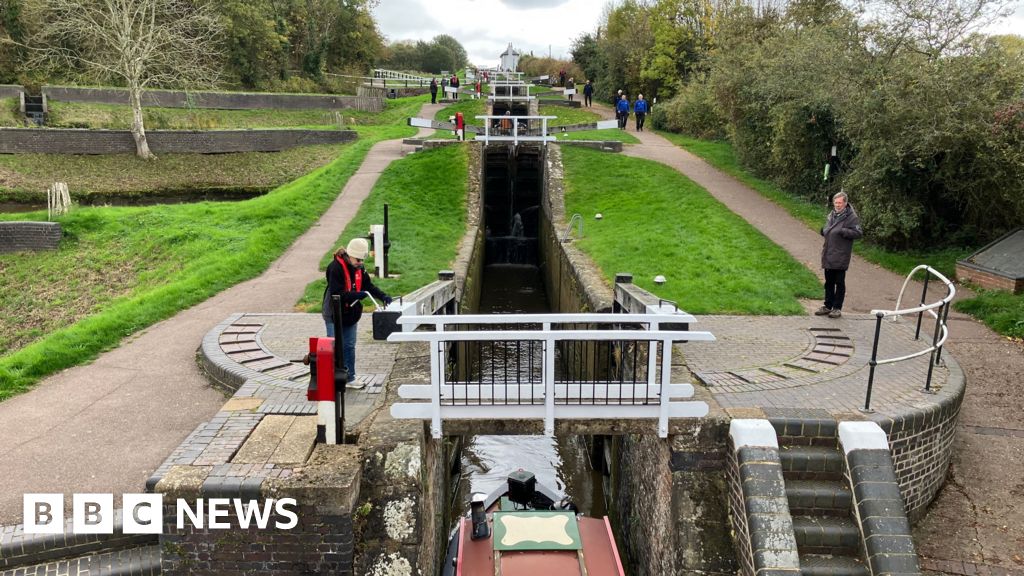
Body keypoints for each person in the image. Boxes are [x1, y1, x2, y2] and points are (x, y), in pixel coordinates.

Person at [322, 238, 392, 387]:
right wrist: (357, 295)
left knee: (349, 345)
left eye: (362, 259)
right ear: (349, 255)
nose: (360, 262)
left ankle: (350, 377)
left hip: (351, 312)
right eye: (358, 259)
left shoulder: (360, 267)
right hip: (334, 313)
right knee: (334, 346)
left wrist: (383, 296)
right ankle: (333, 379)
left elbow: (368, 286)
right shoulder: (335, 268)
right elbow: (337, 294)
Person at [816, 191, 862, 319]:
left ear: (845, 203)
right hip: (829, 253)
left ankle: (837, 308)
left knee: (839, 282)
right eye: (835, 202)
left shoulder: (851, 217)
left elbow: (858, 233)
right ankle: (827, 305)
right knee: (828, 282)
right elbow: (829, 229)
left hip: (841, 254)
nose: (837, 205)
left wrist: (843, 231)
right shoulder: (832, 214)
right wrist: (824, 231)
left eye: (840, 203)